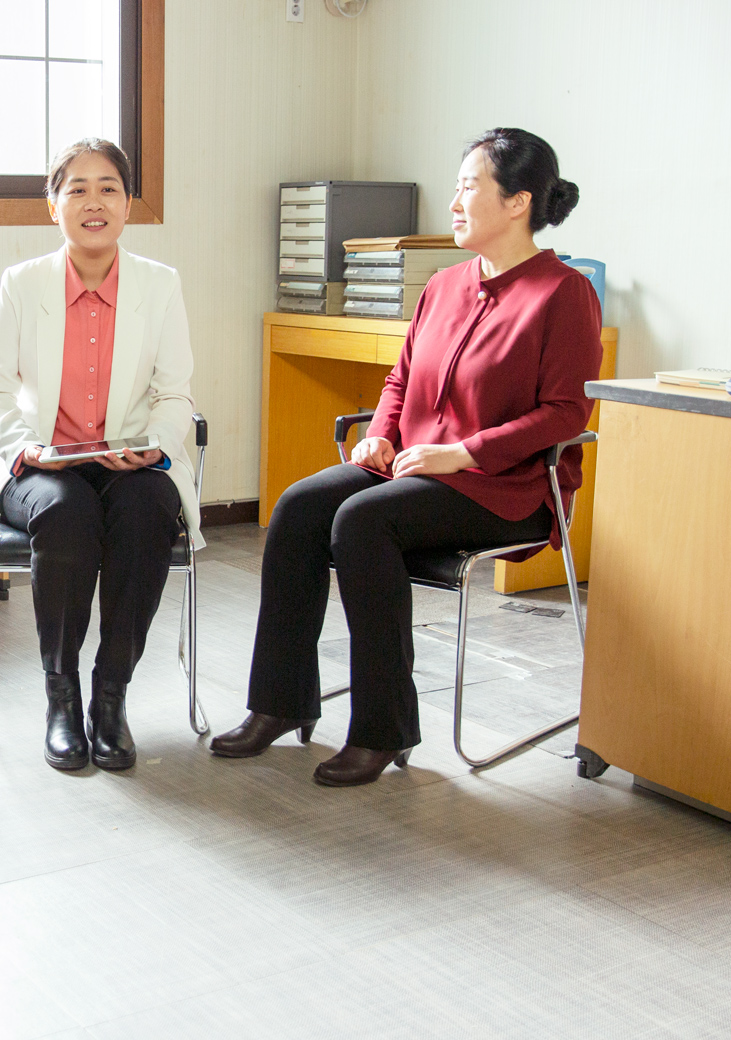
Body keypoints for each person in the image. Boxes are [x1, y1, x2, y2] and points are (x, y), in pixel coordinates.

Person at [214, 127, 601, 786]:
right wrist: (385, 433)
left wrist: (463, 453)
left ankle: (381, 728)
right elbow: (401, 379)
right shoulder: (444, 286)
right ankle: (278, 703)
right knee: (300, 506)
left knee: (363, 522)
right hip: (415, 468)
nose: (455, 201)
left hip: (504, 490)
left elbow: (566, 414)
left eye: (469, 186)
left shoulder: (564, 294)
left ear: (517, 202)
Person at [0, 138, 201, 772]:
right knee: (66, 513)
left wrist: (154, 447)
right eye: (76, 188)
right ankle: (61, 698)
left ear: (128, 205)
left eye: (109, 188)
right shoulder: (22, 284)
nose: (93, 202)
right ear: (53, 206)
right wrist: (25, 450)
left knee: (148, 510)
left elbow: (174, 392)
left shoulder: (160, 286)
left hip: (131, 461)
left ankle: (111, 696)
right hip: (42, 467)